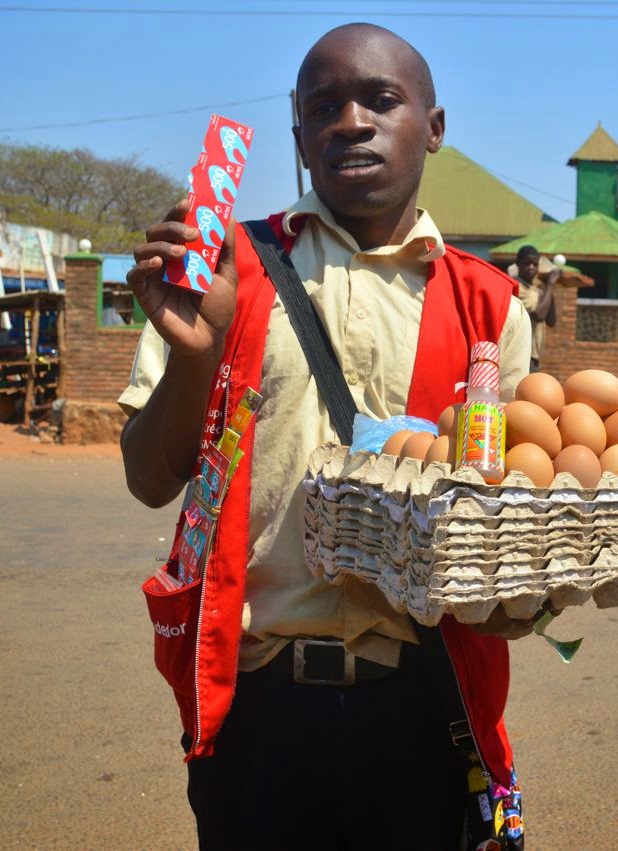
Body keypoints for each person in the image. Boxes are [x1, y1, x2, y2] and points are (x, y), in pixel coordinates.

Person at [120, 23, 538, 850]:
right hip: (259, 707)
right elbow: (149, 477)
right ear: (300, 137)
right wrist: (194, 360)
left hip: (428, 703)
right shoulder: (223, 271)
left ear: (435, 125)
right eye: (324, 107)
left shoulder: (490, 304)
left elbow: (513, 512)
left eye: (381, 99)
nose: (351, 121)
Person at [511, 245, 558, 371]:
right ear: (517, 264)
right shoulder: (516, 287)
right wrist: (549, 284)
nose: (531, 267)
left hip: (533, 355)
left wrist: (548, 287)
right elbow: (539, 315)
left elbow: (551, 321)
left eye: (535, 264)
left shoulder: (536, 290)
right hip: (520, 354)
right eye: (527, 263)